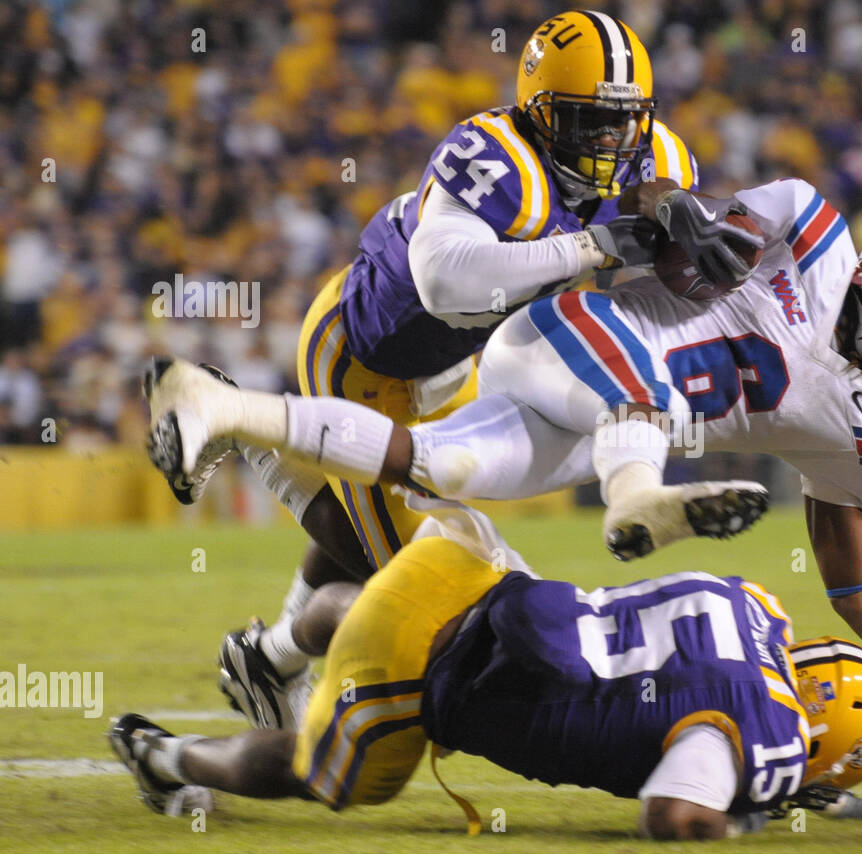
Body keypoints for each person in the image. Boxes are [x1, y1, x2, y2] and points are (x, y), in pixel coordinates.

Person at [144, 180, 862, 727]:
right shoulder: (813, 228)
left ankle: (229, 414)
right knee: (651, 401)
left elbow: (855, 584)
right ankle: (637, 503)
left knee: (432, 469)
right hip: (575, 336)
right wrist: (701, 236)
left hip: (591, 428)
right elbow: (680, 240)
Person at [150, 11, 763, 730]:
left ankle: (269, 657)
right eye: (589, 120)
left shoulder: (653, 153)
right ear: (541, 113)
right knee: (408, 574)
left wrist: (677, 215)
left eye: (622, 122)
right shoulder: (494, 154)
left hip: (456, 362)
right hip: (368, 350)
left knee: (390, 515)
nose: (609, 141)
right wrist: (593, 247)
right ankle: (251, 439)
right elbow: (447, 282)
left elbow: (645, 191)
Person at [109, 505, 862, 840]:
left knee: (378, 603)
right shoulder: (754, 735)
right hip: (429, 676)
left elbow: (729, 694)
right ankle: (164, 758)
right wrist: (731, 819)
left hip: (476, 580)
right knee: (327, 775)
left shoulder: (755, 605)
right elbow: (671, 813)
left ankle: (273, 649)